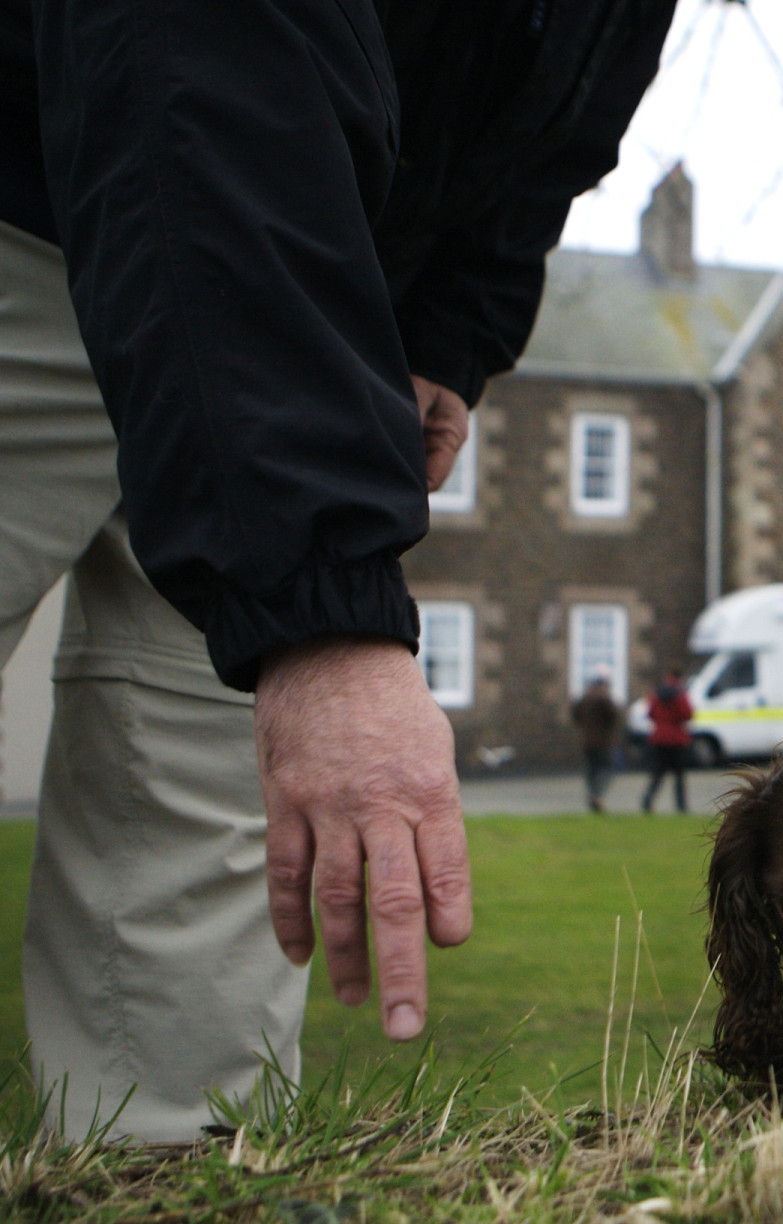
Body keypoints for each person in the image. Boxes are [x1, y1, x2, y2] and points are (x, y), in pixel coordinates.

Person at [0, 0, 679, 1140]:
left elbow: (555, 124)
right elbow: (205, 56)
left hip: (328, 302)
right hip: (34, 217)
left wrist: (438, 331)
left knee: (203, 793)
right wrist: (322, 607)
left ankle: (166, 1206)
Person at [641, 667, 695, 814]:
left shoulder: (656, 694)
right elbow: (688, 714)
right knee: (679, 777)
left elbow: (650, 713)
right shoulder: (681, 694)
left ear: (668, 676)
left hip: (658, 739)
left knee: (657, 774)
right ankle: (681, 806)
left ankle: (647, 801)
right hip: (678, 739)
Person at [571, 675, 623, 815]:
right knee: (607, 769)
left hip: (586, 740)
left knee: (591, 770)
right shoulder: (604, 699)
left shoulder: (584, 700)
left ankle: (592, 795)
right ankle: (597, 796)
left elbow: (575, 715)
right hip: (604, 741)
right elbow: (613, 716)